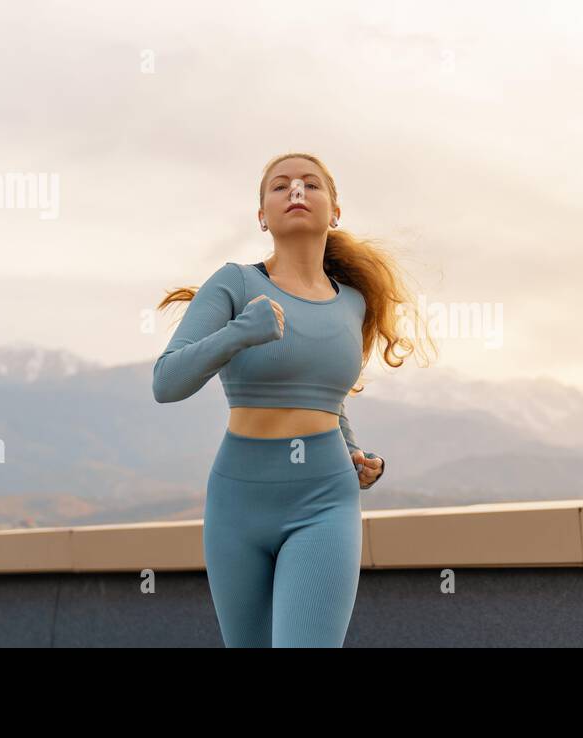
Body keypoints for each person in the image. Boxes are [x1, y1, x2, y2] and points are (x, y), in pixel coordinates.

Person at [152, 152, 435, 647]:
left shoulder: (353, 303)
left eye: (311, 184)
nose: (296, 191)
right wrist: (240, 332)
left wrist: (354, 451)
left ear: (335, 211)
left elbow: (328, 399)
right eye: (280, 186)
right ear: (262, 215)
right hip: (237, 501)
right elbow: (166, 382)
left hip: (324, 497)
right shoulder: (235, 283)